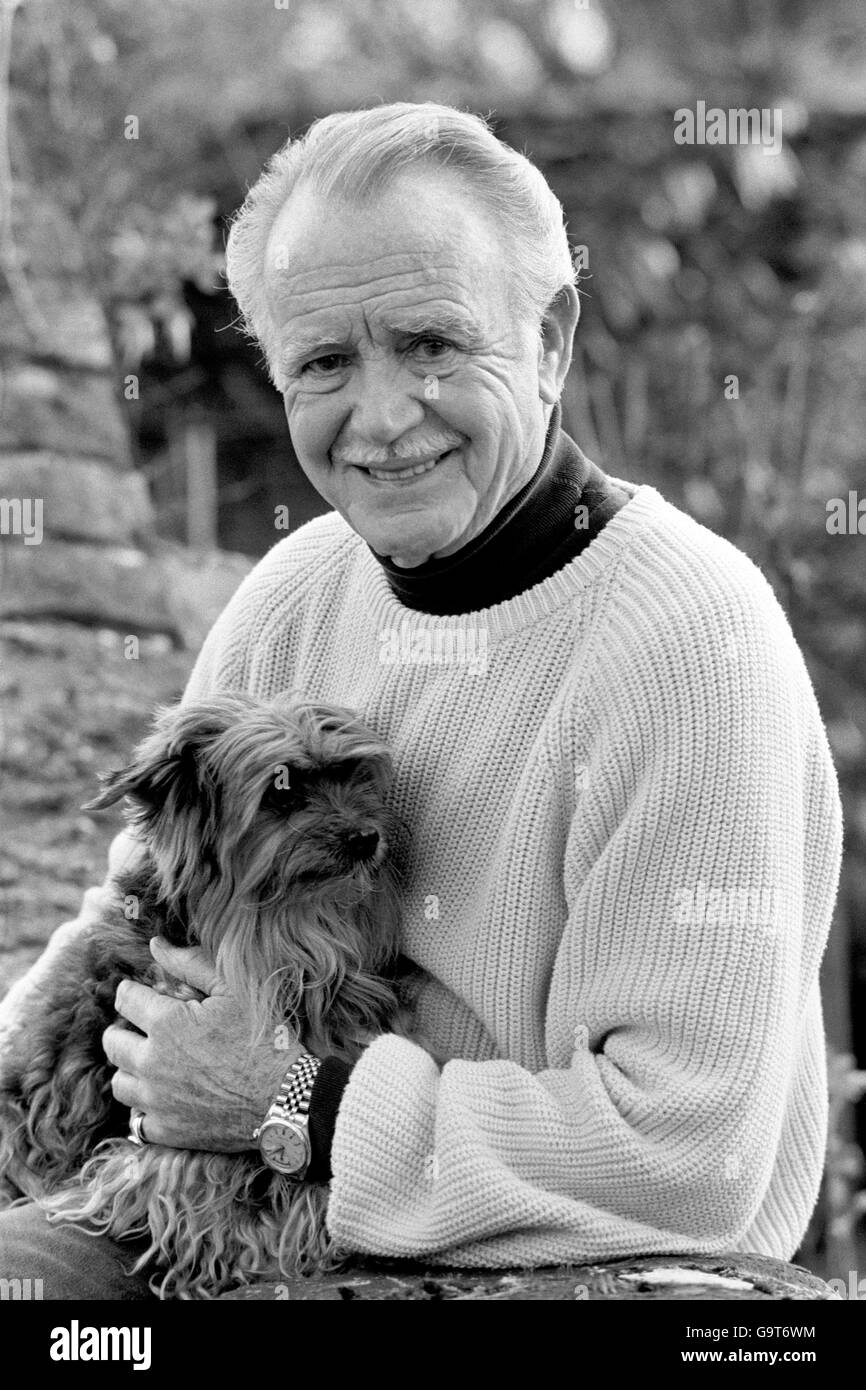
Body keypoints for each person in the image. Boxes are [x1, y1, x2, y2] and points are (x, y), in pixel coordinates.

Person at [0, 102, 842, 1297]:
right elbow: (144, 909)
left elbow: (684, 1156)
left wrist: (294, 1099)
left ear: (548, 340)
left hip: (559, 1266)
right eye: (325, 364)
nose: (383, 419)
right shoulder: (296, 589)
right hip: (215, 1201)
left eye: (432, 345)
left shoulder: (690, 642)